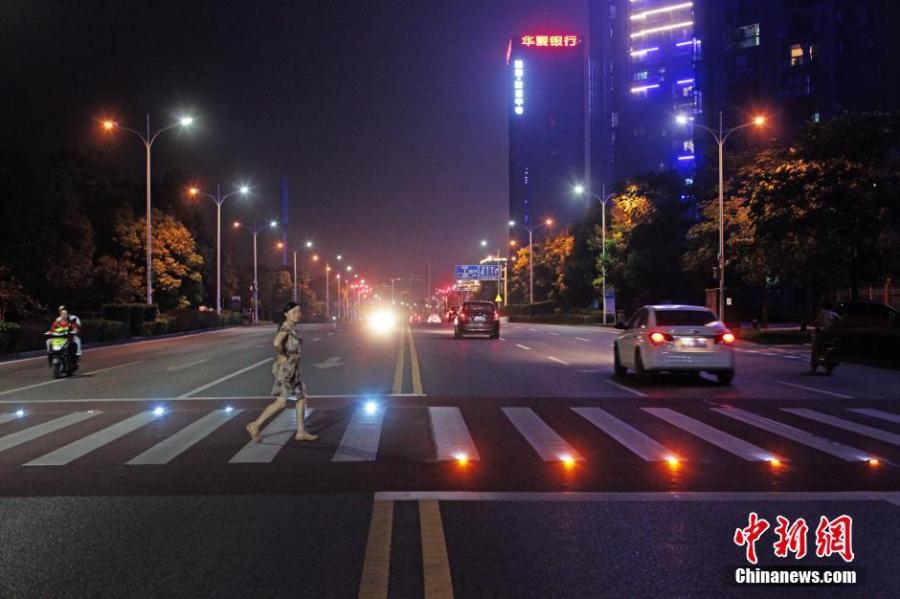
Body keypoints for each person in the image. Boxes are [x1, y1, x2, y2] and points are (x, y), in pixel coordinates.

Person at [245, 302, 318, 442]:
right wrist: (282, 355)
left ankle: (301, 432)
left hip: (293, 369)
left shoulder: (291, 327)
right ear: (286, 313)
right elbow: (276, 342)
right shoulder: (286, 326)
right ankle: (255, 425)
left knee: (301, 398)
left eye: (298, 312)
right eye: (294, 312)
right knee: (281, 402)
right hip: (287, 370)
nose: (297, 314)